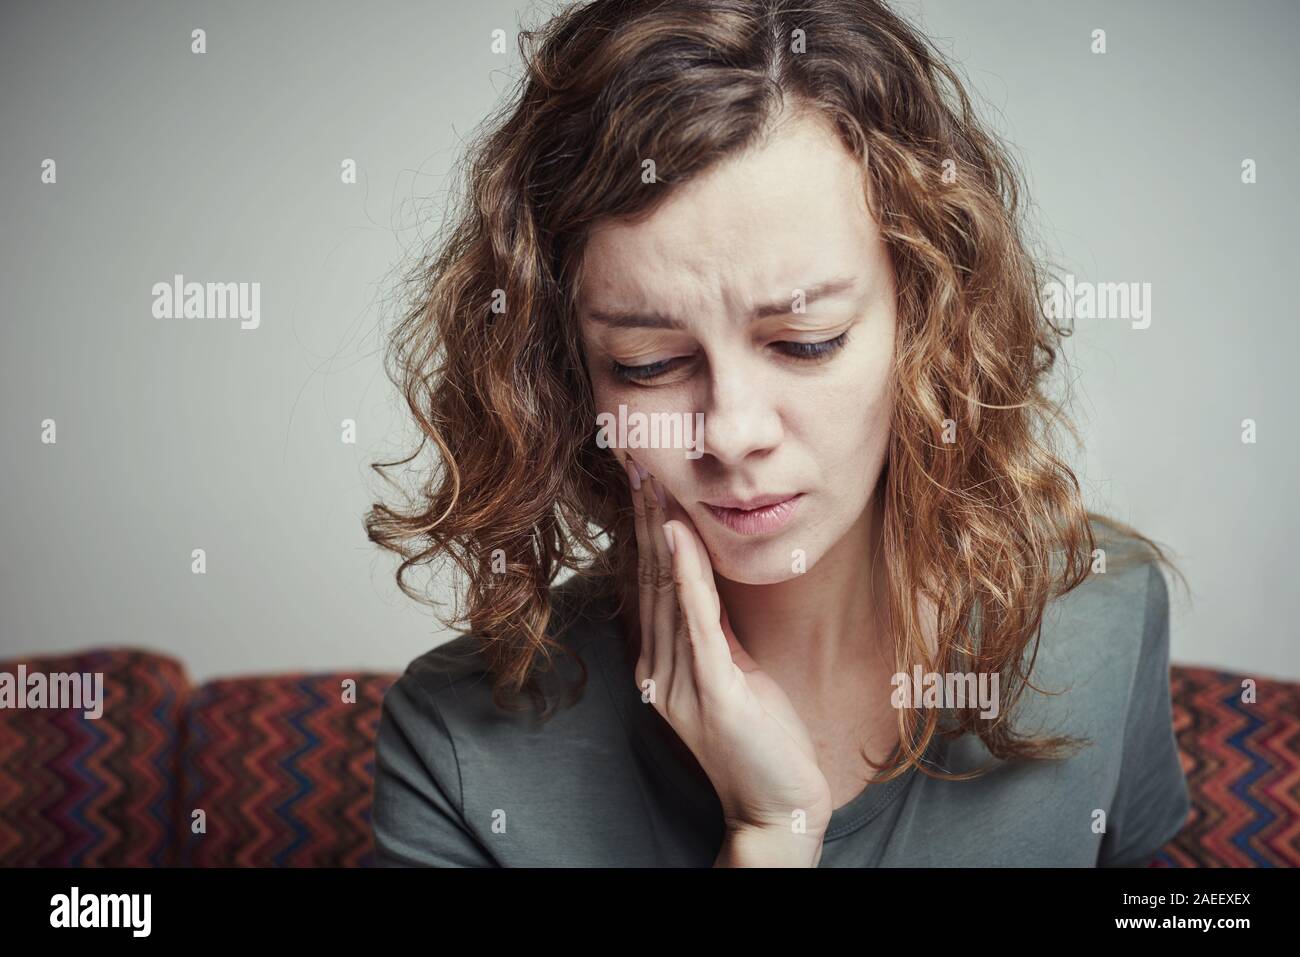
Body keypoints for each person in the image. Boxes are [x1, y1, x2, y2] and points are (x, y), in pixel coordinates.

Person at [366, 0, 1190, 867]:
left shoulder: (1102, 611)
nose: (732, 432)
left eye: (807, 342)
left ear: (928, 319)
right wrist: (769, 836)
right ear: (568, 379)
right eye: (647, 363)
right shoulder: (455, 746)